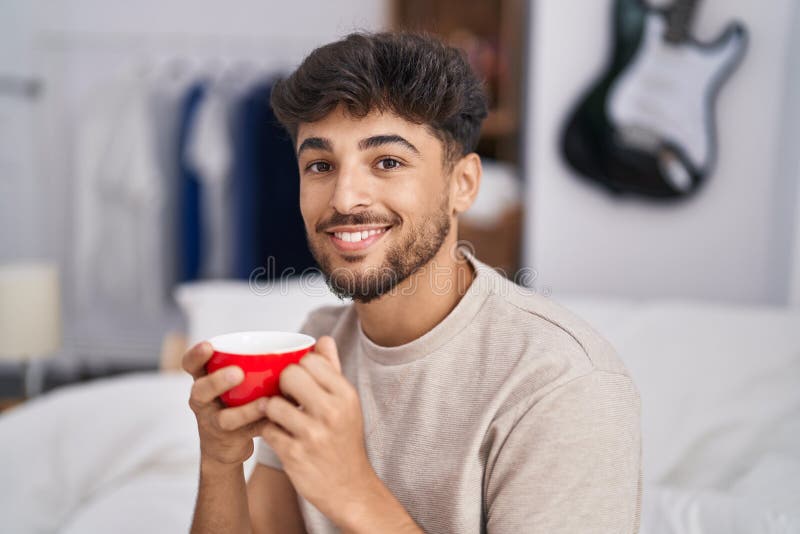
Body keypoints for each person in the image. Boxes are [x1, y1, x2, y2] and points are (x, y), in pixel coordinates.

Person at [182, 31, 642, 534]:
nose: (344, 198)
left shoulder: (563, 383)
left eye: (387, 162)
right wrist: (221, 461)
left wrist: (353, 491)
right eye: (320, 165)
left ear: (461, 185)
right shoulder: (321, 343)